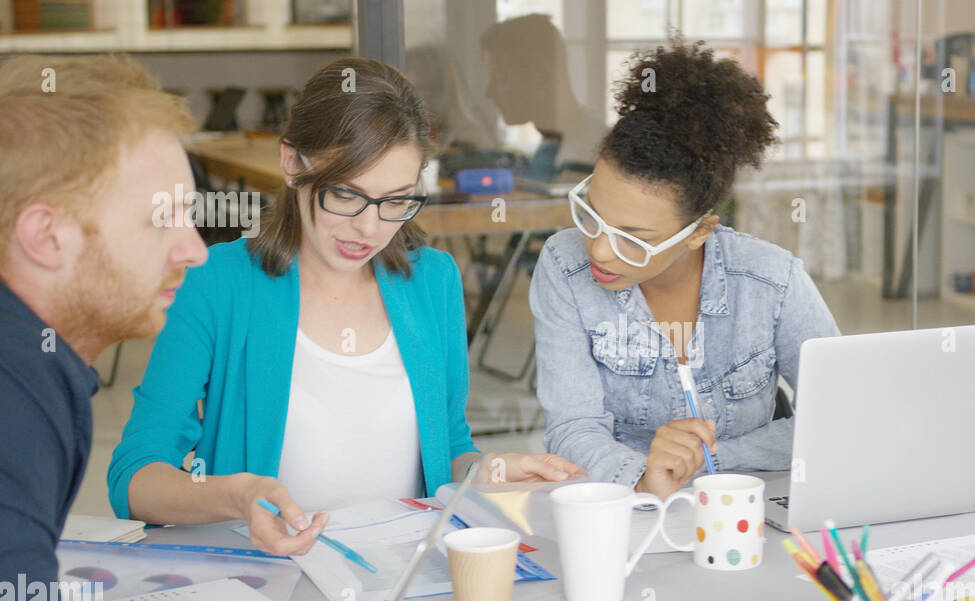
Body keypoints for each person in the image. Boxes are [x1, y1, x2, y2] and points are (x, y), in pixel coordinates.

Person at [109, 57, 583, 555]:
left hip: (403, 580)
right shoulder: (218, 283)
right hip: (271, 580)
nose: (369, 229)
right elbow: (134, 477)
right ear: (293, 163)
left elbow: (450, 451)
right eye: (346, 194)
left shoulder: (433, 280)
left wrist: (491, 470)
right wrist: (237, 496)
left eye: (397, 200)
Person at [530, 39, 840, 500]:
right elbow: (573, 427)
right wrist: (641, 475)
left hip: (746, 508)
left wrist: (708, 460)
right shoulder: (563, 266)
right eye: (592, 215)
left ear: (699, 231)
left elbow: (839, 415)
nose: (598, 249)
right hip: (623, 513)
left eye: (634, 237)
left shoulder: (770, 281)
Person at [0, 55, 207, 601]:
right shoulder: (14, 413)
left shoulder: (32, 367)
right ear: (47, 236)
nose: (195, 250)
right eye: (163, 218)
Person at [480, 13, 606, 173]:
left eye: (500, 78)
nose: (488, 92)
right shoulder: (553, 143)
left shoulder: (582, 159)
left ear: (540, 77)